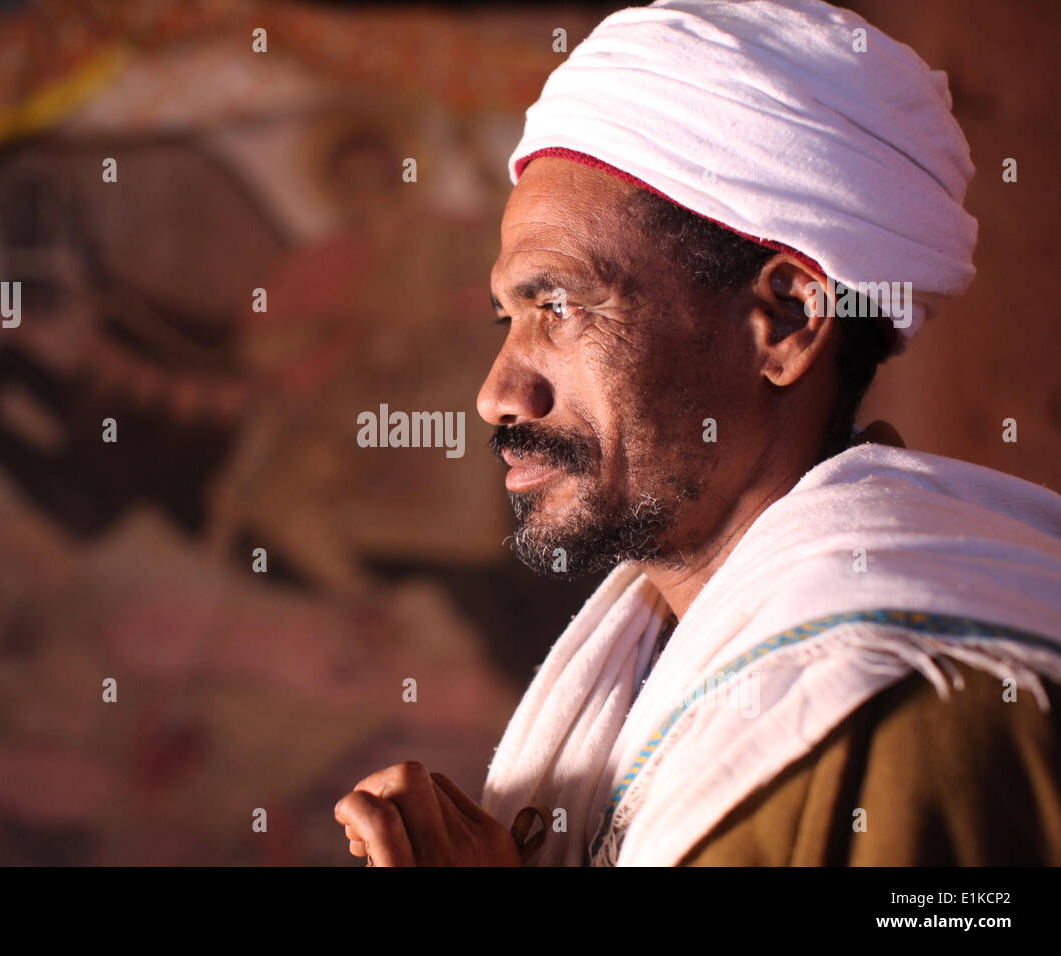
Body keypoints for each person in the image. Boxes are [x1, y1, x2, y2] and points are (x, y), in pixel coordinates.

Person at [333, 0, 1061, 865]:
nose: (499, 395)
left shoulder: (916, 714)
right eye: (509, 320)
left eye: (559, 306)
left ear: (786, 322)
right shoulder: (665, 674)